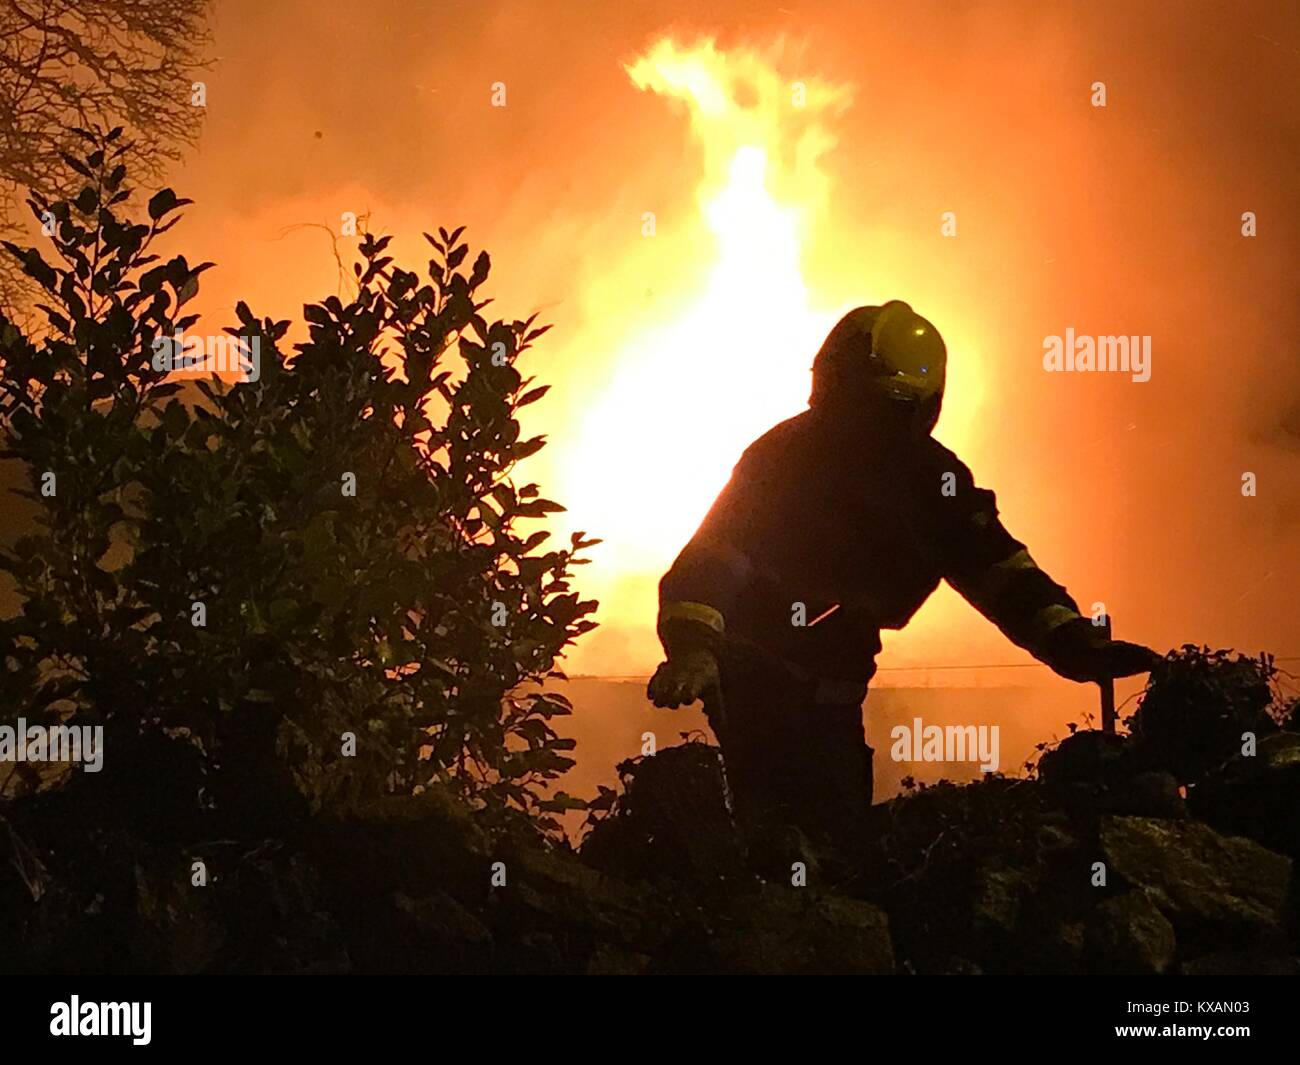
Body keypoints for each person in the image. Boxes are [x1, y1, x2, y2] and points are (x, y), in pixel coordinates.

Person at [647, 301, 1159, 860]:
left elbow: (996, 567)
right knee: (784, 836)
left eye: (871, 403)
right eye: (842, 396)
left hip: (836, 692)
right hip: (756, 682)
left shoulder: (932, 481)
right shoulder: (782, 460)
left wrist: (1070, 641)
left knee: (832, 840)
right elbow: (714, 559)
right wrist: (695, 649)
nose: (850, 420)